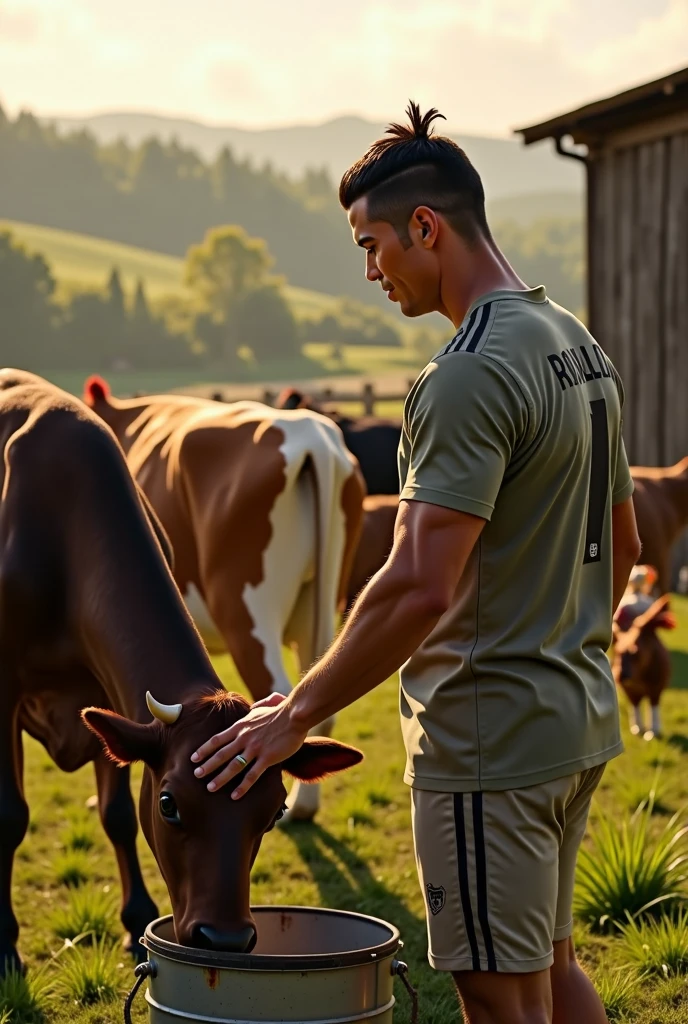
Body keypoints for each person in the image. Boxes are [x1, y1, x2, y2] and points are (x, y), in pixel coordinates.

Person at [189, 102, 641, 1024]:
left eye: (372, 244)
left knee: (497, 997)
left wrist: (296, 712)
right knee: (553, 972)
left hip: (488, 745)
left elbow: (417, 584)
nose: (369, 271)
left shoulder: (467, 372)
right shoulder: (577, 345)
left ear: (426, 228)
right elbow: (623, 546)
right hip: (574, 723)